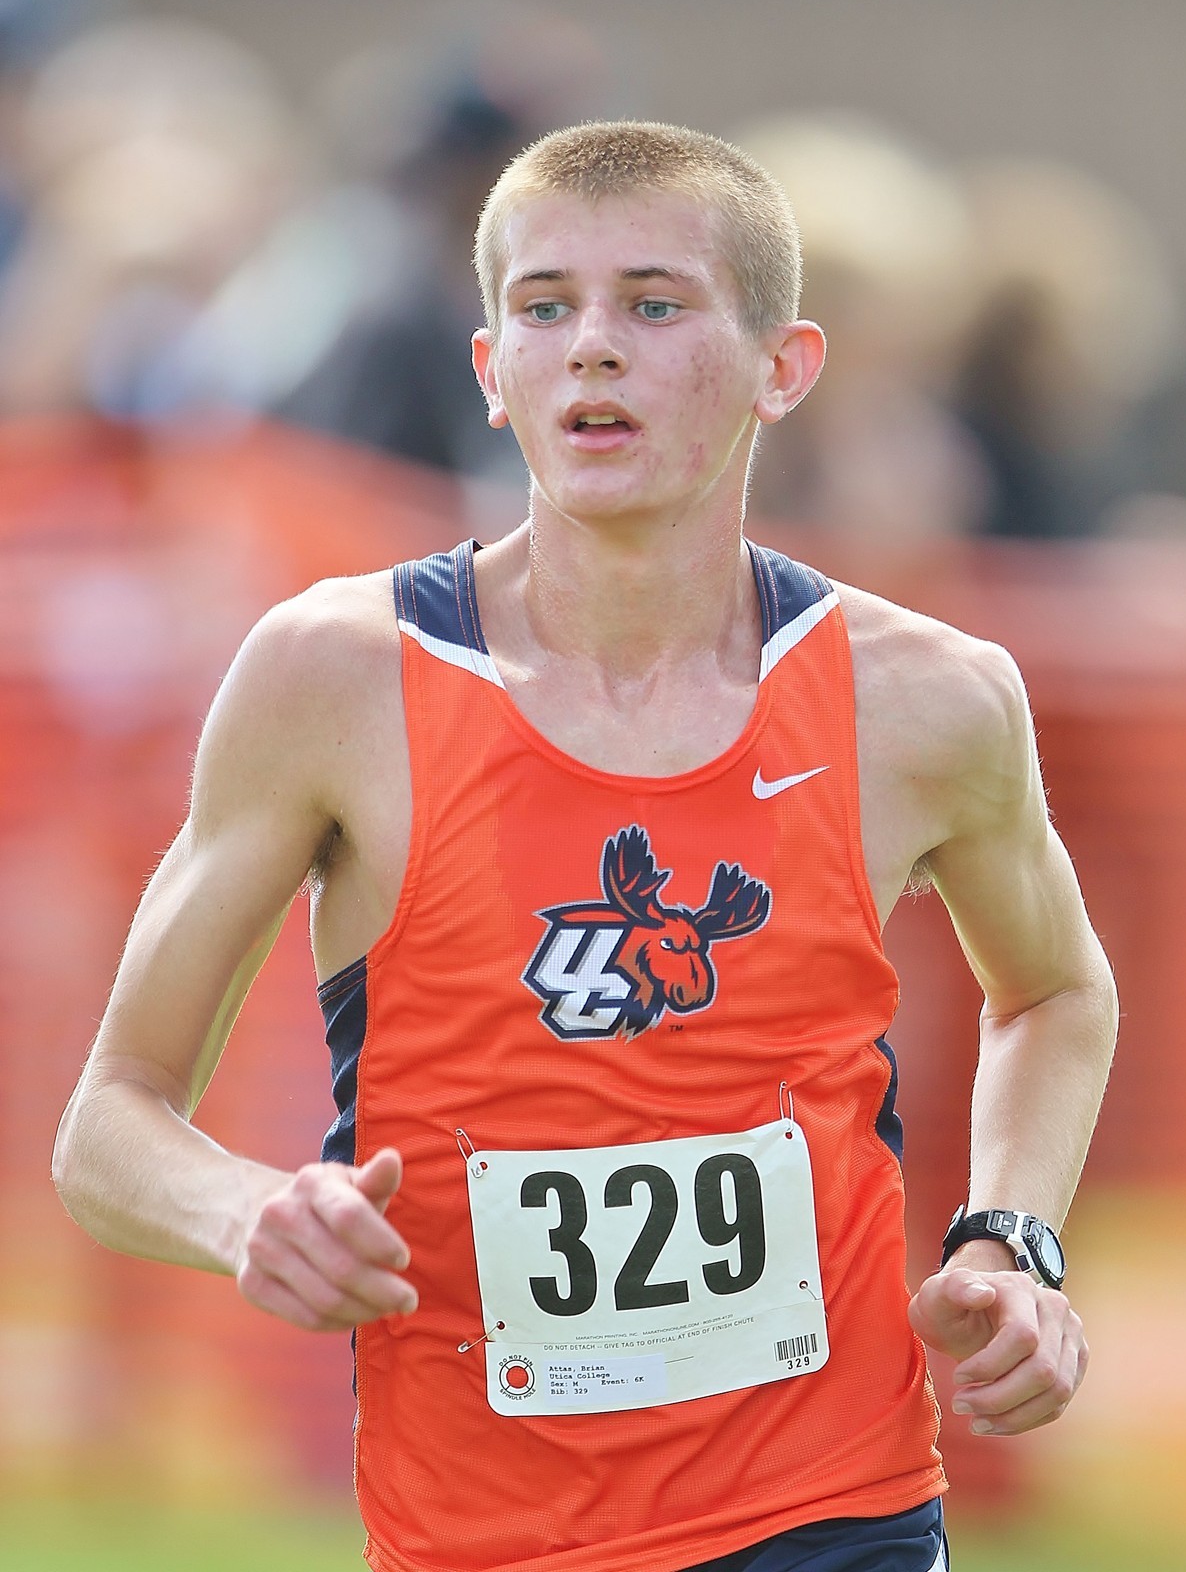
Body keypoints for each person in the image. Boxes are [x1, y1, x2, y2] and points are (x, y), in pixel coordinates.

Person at [53, 121, 1118, 1572]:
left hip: (834, 1508)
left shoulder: (928, 696)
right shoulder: (335, 677)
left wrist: (1012, 1237)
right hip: (478, 1533)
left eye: (656, 304)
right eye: (545, 307)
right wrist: (248, 1212)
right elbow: (110, 1119)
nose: (592, 349)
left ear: (783, 368)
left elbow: (1055, 991)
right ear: (493, 373)